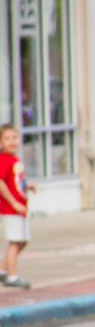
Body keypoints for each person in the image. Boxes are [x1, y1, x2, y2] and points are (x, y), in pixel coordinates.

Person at [0, 124, 34, 289]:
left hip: (20, 208)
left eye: (14, 137)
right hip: (11, 209)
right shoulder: (4, 160)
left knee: (23, 241)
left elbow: (16, 182)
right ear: (1, 142)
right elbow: (0, 182)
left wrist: (29, 186)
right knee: (15, 242)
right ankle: (12, 276)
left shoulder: (15, 160)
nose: (12, 141)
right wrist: (13, 202)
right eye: (7, 138)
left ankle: (3, 270)